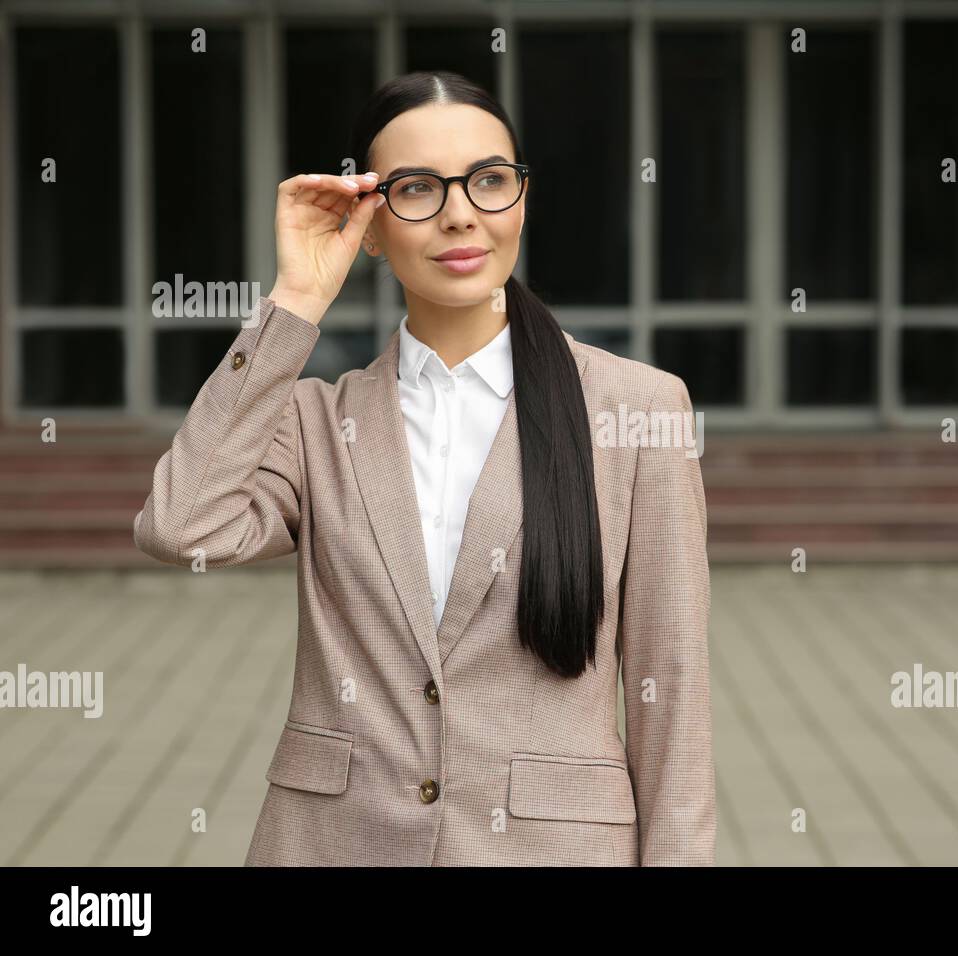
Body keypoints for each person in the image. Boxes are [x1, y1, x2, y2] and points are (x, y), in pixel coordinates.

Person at [133, 70, 714, 866]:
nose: (460, 213)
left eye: (488, 181)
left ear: (521, 197)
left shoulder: (638, 410)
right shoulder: (313, 421)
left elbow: (671, 692)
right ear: (368, 225)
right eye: (416, 189)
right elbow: (180, 525)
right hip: (335, 844)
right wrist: (296, 301)